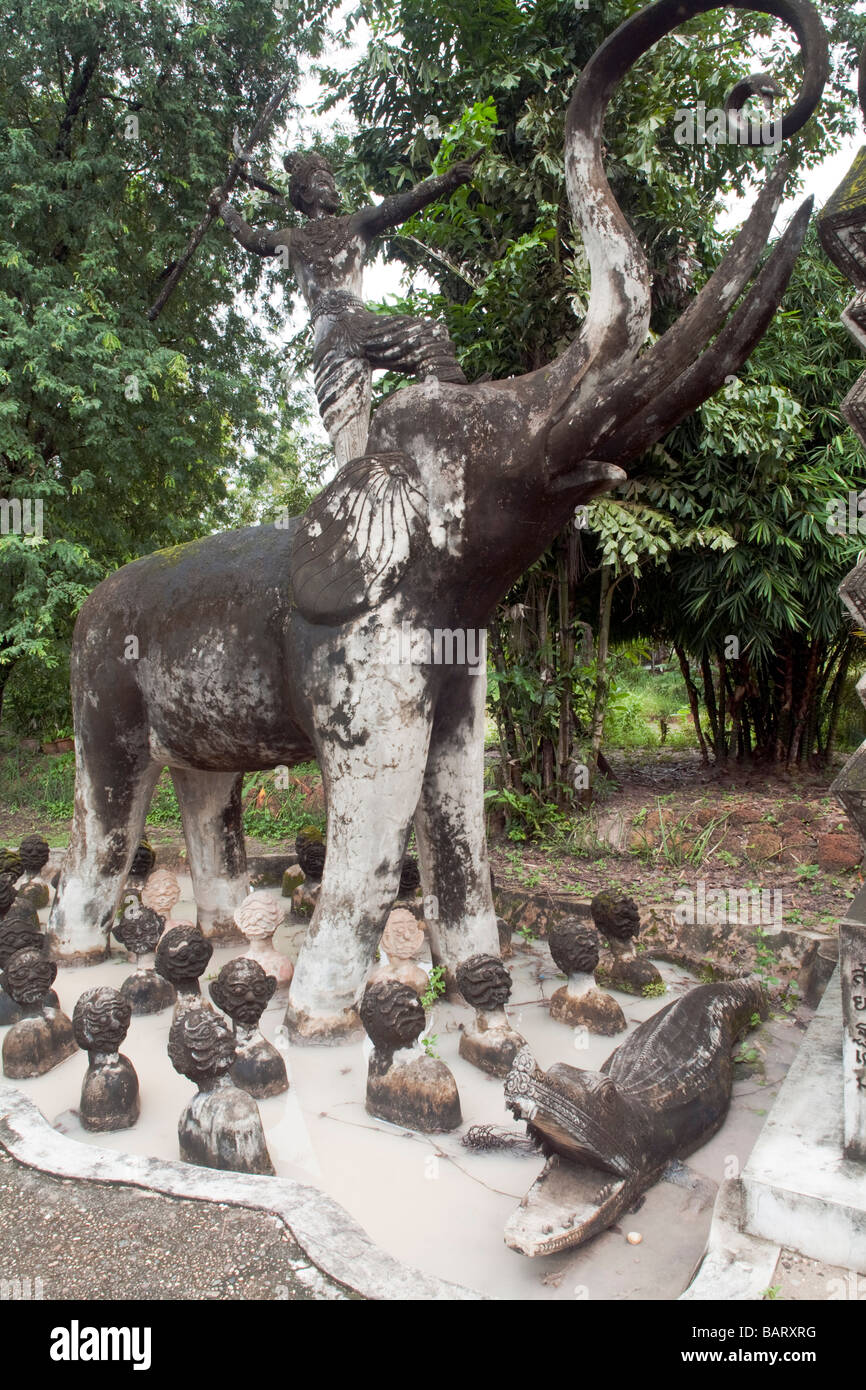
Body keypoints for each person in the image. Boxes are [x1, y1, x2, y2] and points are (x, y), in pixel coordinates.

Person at [212, 151, 475, 465]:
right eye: (324, 183)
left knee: (431, 336)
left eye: (332, 182)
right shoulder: (291, 240)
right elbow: (252, 239)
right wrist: (223, 207)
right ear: (306, 194)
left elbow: (397, 206)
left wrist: (445, 180)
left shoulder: (355, 224)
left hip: (361, 323)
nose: (333, 189)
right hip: (330, 344)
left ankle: (452, 415)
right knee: (351, 462)